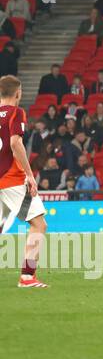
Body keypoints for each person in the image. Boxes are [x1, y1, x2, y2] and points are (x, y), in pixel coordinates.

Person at [0, 75, 45, 288]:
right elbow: (16, 143)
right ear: (18, 93)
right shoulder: (16, 113)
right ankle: (27, 276)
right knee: (38, 223)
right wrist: (29, 174)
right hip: (11, 178)